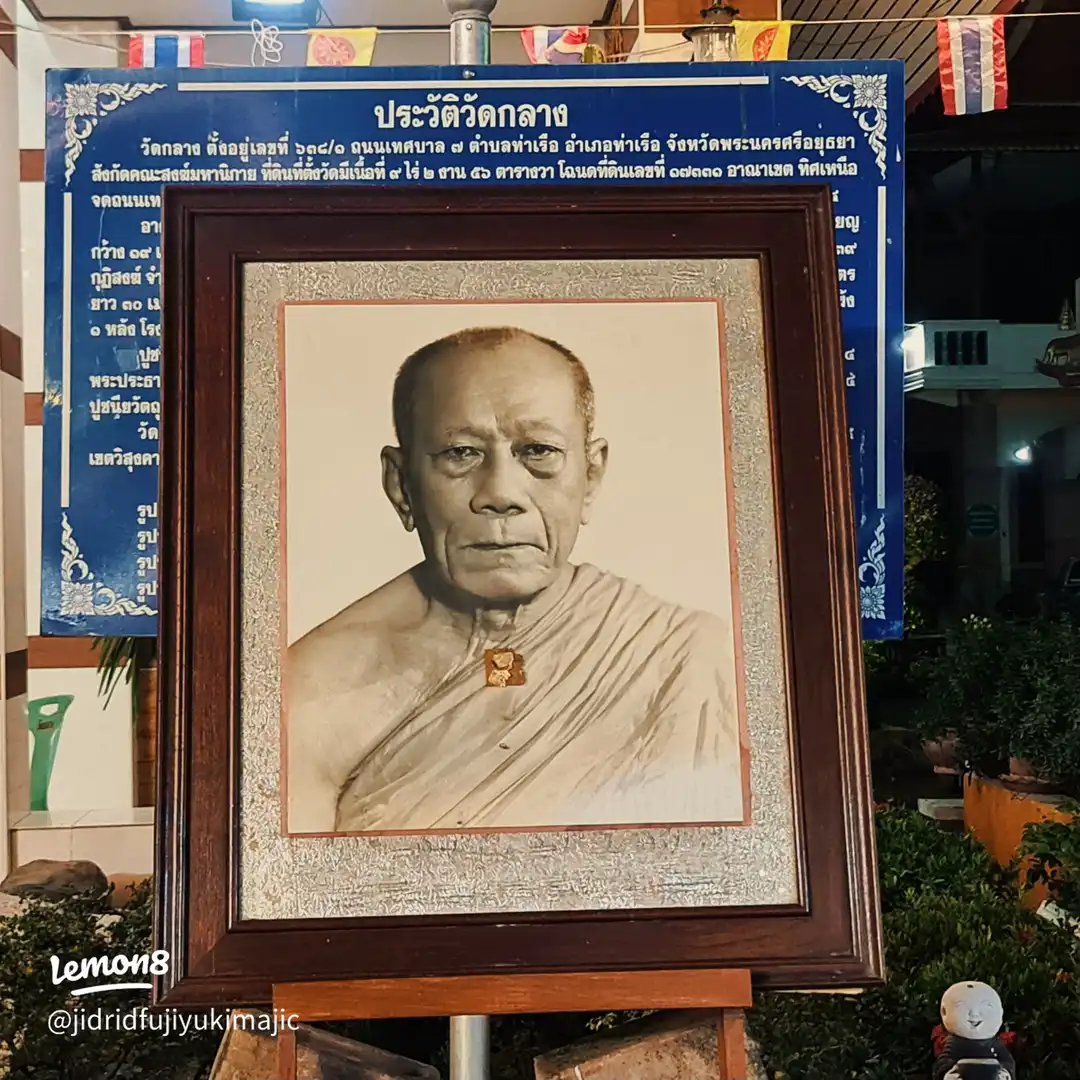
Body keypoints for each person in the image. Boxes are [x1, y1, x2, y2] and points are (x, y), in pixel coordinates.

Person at [285, 325, 744, 833]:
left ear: (591, 476)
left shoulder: (688, 658)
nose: (501, 493)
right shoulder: (307, 691)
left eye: (538, 451)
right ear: (401, 484)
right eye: (460, 453)